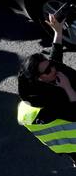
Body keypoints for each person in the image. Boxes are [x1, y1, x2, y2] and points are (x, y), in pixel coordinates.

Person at [17, 15, 76, 165]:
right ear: (38, 78)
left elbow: (54, 58)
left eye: (51, 65)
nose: (53, 69)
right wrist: (68, 88)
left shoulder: (49, 75)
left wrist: (58, 32)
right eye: (48, 70)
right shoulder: (44, 99)